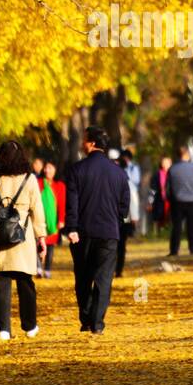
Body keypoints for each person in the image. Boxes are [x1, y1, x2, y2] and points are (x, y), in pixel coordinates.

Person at [0, 140, 47, 340]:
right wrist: (41, 237)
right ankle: (29, 325)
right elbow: (38, 211)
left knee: (0, 285)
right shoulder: (30, 179)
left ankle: (3, 329)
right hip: (22, 238)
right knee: (26, 283)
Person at [62, 125, 131, 335]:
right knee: (103, 278)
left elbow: (72, 204)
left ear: (91, 143)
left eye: (84, 140)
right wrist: (116, 220)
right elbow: (124, 205)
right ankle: (97, 322)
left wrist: (71, 227)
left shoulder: (76, 170)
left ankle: (85, 318)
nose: (82, 143)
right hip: (108, 232)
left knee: (83, 277)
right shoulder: (119, 173)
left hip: (82, 232)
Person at [166, 145, 193, 255]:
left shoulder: (172, 169)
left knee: (176, 228)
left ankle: (174, 250)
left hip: (177, 202)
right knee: (192, 227)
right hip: (192, 201)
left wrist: (170, 199)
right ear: (187, 155)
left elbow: (167, 188)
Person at [39, 160, 65, 277]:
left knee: (50, 245)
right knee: (38, 242)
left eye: (49, 168)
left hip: (53, 220)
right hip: (40, 219)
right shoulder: (38, 183)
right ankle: (38, 267)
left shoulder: (60, 186)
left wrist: (61, 220)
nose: (46, 170)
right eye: (45, 168)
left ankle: (48, 269)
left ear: (55, 170)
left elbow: (61, 204)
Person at [117, 149, 140, 276]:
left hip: (121, 218)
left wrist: (134, 216)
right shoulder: (125, 180)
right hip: (120, 218)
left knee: (119, 245)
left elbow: (133, 199)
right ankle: (117, 269)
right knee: (119, 245)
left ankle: (118, 269)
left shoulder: (127, 181)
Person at [147, 155, 171, 229]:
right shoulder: (157, 174)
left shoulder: (173, 173)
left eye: (169, 163)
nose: (167, 164)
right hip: (159, 200)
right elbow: (153, 190)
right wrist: (150, 202)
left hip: (170, 200)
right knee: (158, 217)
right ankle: (157, 232)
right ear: (161, 164)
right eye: (165, 163)